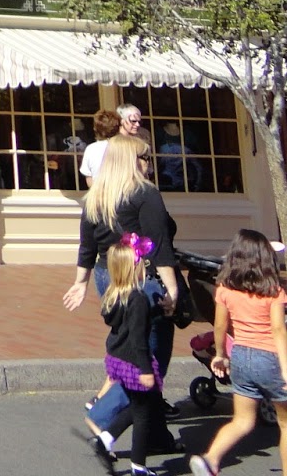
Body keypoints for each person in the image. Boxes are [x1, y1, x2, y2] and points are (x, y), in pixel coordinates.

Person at [62, 134, 180, 464]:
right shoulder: (145, 194)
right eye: (144, 158)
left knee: (126, 343)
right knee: (151, 358)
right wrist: (172, 289)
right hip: (142, 278)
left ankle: (155, 434)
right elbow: (160, 247)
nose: (149, 164)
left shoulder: (96, 195)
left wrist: (81, 282)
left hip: (107, 274)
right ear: (131, 160)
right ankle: (104, 416)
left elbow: (87, 245)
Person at [188, 229, 287, 476]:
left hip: (241, 356)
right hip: (271, 358)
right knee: (285, 423)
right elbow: (278, 330)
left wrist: (220, 354)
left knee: (242, 421)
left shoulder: (224, 289)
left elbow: (220, 325)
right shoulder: (274, 291)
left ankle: (210, 459)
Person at [99, 236, 162, 476]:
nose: (143, 268)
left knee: (137, 405)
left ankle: (106, 437)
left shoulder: (114, 296)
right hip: (135, 363)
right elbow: (138, 339)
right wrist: (146, 370)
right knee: (144, 411)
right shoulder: (137, 299)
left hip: (118, 358)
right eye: (141, 264)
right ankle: (138, 465)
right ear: (132, 268)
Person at [81, 105, 139, 186]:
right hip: (122, 194)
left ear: (95, 128)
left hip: (98, 195)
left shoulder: (90, 149)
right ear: (118, 126)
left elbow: (89, 179)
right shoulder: (126, 147)